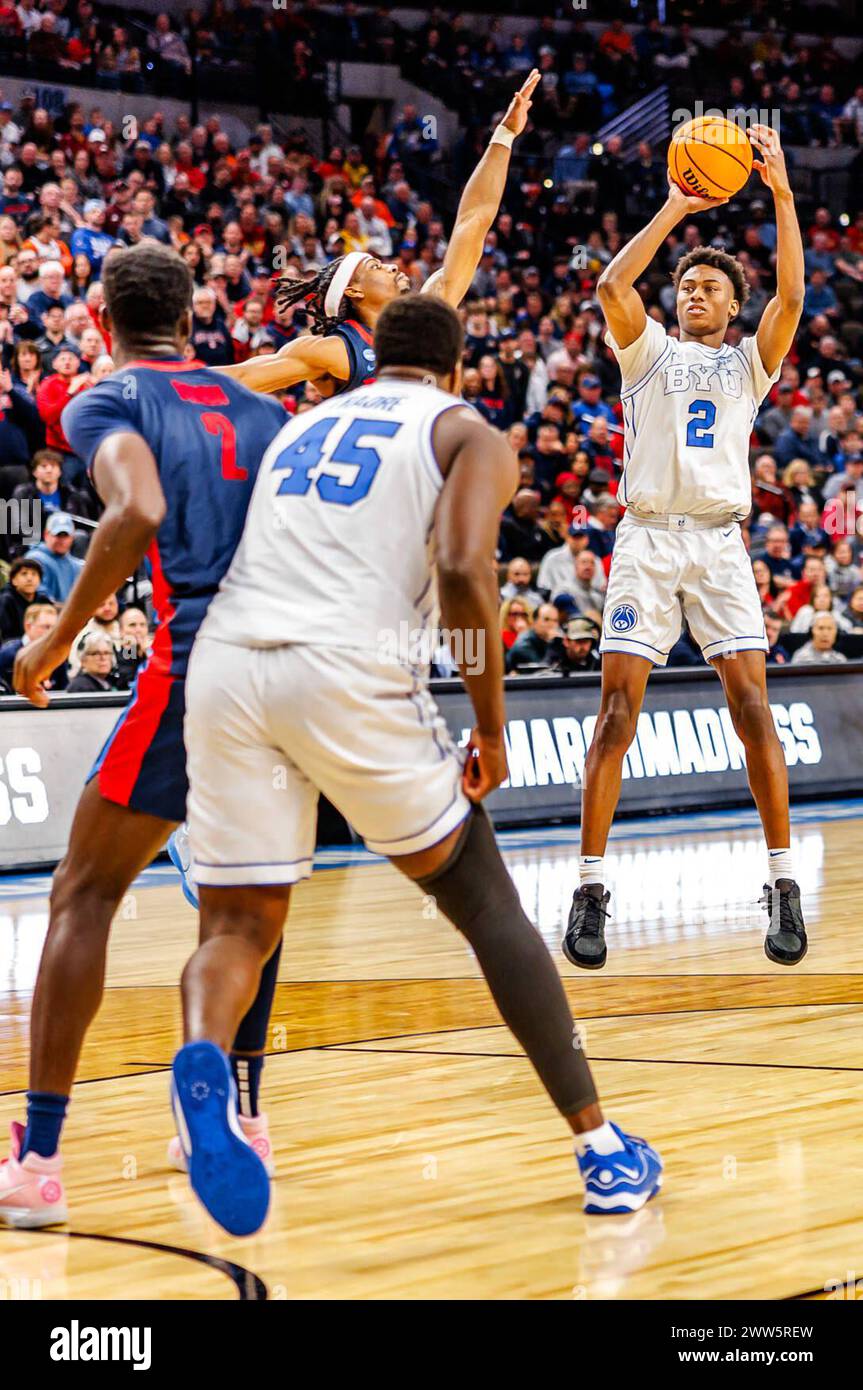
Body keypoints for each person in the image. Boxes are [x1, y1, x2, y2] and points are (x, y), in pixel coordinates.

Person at [173, 293, 661, 1236]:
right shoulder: (464, 432)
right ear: (455, 365)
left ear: (367, 358)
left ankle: (207, 1073)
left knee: (236, 921)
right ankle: (601, 1150)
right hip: (347, 667)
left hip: (228, 667)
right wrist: (490, 721)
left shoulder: (299, 424)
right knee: (483, 902)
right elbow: (465, 570)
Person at [0, 242, 286, 1229]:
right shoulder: (262, 411)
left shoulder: (104, 399)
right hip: (285, 673)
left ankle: (37, 1161)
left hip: (191, 668)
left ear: (102, 317)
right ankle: (240, 1117)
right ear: (194, 316)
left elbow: (138, 508)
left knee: (82, 894)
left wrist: (53, 643)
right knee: (243, 912)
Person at [564, 125, 808, 973]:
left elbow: (791, 296)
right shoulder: (647, 352)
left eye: (708, 286)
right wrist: (675, 205)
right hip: (647, 543)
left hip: (718, 547)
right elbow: (607, 282)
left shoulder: (748, 363)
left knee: (752, 711)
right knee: (614, 718)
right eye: (687, 287)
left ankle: (780, 881)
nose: (694, 294)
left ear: (731, 306)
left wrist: (778, 191)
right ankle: (591, 886)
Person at [213, 71, 541, 399]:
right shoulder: (334, 352)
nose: (392, 266)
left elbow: (473, 220)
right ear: (353, 291)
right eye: (375, 267)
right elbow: (243, 374)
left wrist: (505, 135)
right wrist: (162, 376)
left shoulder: (425, 316)